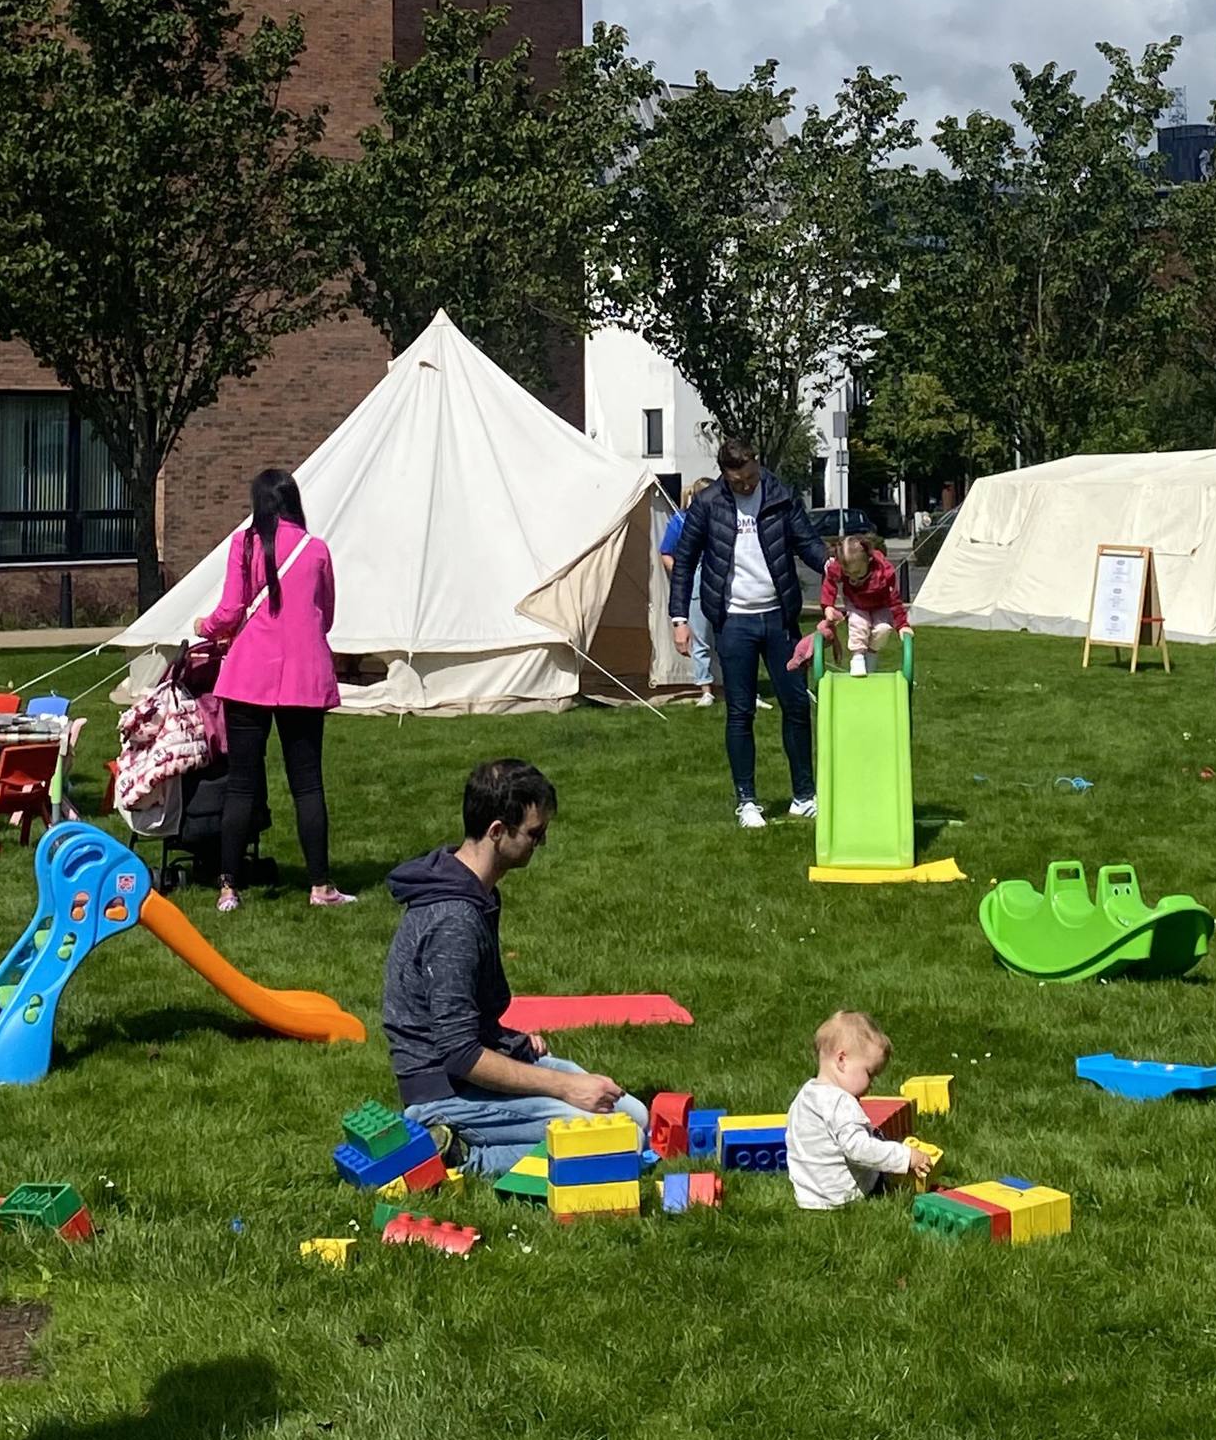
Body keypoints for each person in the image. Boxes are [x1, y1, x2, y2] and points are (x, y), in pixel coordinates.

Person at [382, 759, 650, 1177]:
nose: (539, 845)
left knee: (635, 1118)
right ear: (496, 831)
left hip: (474, 1068)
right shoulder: (455, 919)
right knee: (620, 1141)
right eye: (534, 834)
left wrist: (513, 1043)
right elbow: (459, 1054)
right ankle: (458, 1154)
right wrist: (567, 1086)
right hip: (443, 1088)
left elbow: (468, 1021)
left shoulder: (476, 890)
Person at [195, 468, 351, 915]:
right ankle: (320, 884)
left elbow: (229, 610)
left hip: (249, 674)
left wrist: (204, 627)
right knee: (307, 783)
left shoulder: (244, 545)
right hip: (305, 675)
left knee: (241, 783)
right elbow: (327, 614)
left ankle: (228, 887)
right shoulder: (315, 549)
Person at [669, 435, 827, 830]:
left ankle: (804, 796)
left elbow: (806, 543)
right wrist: (679, 619)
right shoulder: (707, 505)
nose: (747, 486)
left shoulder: (779, 494)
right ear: (725, 475)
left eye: (752, 477)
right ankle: (748, 802)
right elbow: (684, 562)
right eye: (739, 481)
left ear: (757, 465)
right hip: (733, 621)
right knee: (740, 713)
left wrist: (835, 568)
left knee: (795, 706)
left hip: (779, 618)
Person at [785, 1010, 934, 1210]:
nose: (870, 1084)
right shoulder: (841, 1102)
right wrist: (906, 1156)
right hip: (843, 1195)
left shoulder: (805, 1095)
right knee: (884, 1162)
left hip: (810, 1195)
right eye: (869, 1074)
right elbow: (859, 1150)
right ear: (842, 1061)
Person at [660, 477, 719, 708]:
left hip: (718, 577)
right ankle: (706, 689)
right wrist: (684, 574)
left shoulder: (721, 520)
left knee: (731, 637)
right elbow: (666, 552)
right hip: (696, 578)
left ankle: (740, 688)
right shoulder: (681, 521)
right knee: (701, 638)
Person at [820, 534, 908, 676]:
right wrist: (828, 605)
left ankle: (871, 655)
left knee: (883, 629)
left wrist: (902, 625)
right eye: (848, 573)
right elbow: (830, 582)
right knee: (858, 623)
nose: (853, 577)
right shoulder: (839, 567)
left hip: (880, 604)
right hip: (856, 602)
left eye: (857, 572)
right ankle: (858, 656)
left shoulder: (883, 572)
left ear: (869, 560)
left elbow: (894, 599)